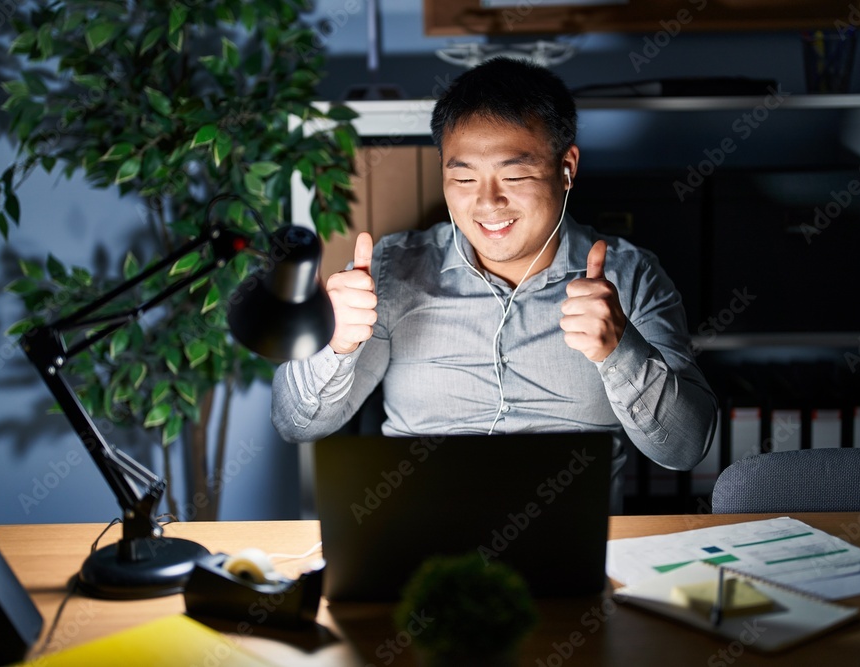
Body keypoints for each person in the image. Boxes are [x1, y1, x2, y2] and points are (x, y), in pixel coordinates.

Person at [271, 57, 717, 512]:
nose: (487, 202)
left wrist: (620, 351)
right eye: (463, 177)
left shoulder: (631, 277)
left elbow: (686, 450)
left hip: (568, 539)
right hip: (420, 534)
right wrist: (335, 346)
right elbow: (295, 425)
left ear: (566, 167)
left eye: (514, 175)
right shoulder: (389, 272)